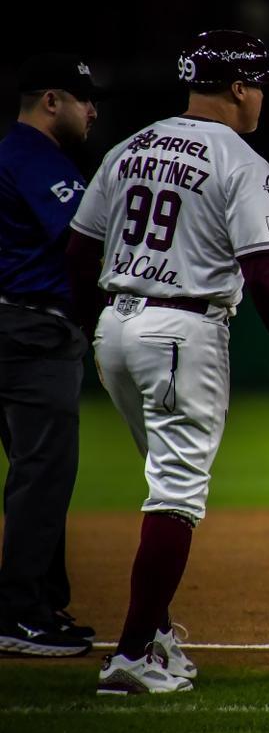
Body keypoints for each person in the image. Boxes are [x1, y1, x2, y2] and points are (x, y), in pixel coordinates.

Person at [65, 30, 269, 694]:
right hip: (183, 330)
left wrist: (91, 327)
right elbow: (264, 273)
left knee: (162, 482)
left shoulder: (129, 147)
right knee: (177, 493)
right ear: (238, 87)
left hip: (116, 328)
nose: (261, 96)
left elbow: (79, 252)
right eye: (258, 84)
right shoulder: (241, 160)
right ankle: (131, 656)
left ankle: (154, 638)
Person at [0, 54, 104, 657]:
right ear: (50, 101)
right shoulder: (34, 157)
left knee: (36, 470)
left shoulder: (10, 155)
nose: (93, 110)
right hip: (33, 331)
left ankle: (39, 603)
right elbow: (82, 241)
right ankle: (20, 613)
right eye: (83, 98)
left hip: (17, 327)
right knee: (43, 472)